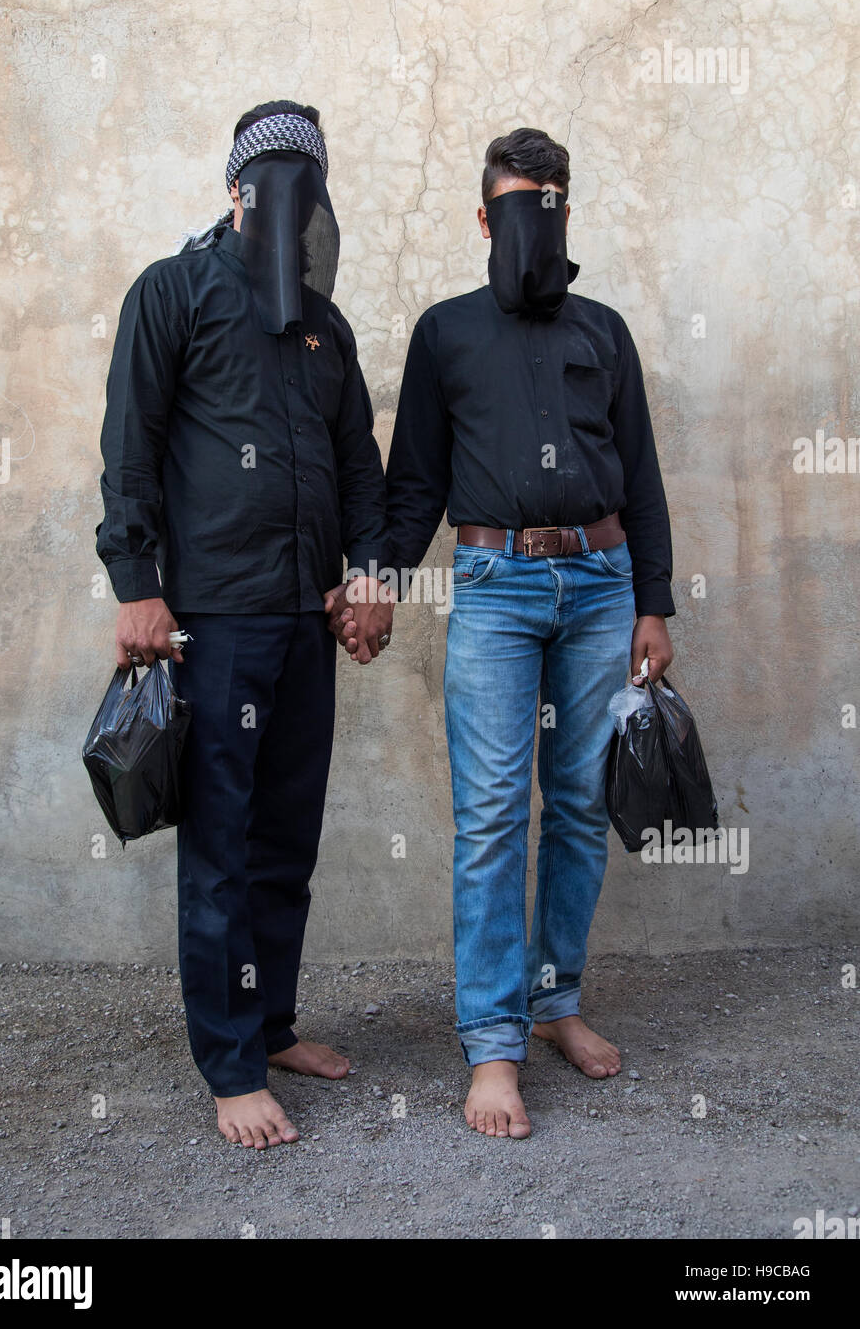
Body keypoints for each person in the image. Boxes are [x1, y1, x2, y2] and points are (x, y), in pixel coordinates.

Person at [332, 127, 674, 1139]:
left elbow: (643, 475)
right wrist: (374, 576)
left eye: (552, 199)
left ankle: (555, 1000)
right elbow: (415, 481)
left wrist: (654, 602)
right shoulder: (445, 333)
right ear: (485, 217)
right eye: (518, 201)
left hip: (602, 581)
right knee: (490, 814)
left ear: (568, 212)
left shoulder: (603, 332)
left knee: (574, 803)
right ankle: (493, 1044)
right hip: (492, 583)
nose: (536, 217)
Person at [96, 100, 393, 1150]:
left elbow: (359, 467)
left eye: (303, 182)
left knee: (284, 840)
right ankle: (228, 1066)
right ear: (233, 188)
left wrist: (370, 576)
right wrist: (137, 584)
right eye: (266, 177)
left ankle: (268, 1025)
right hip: (213, 623)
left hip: (303, 623)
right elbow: (130, 446)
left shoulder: (325, 325)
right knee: (221, 844)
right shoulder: (171, 293)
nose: (285, 199)